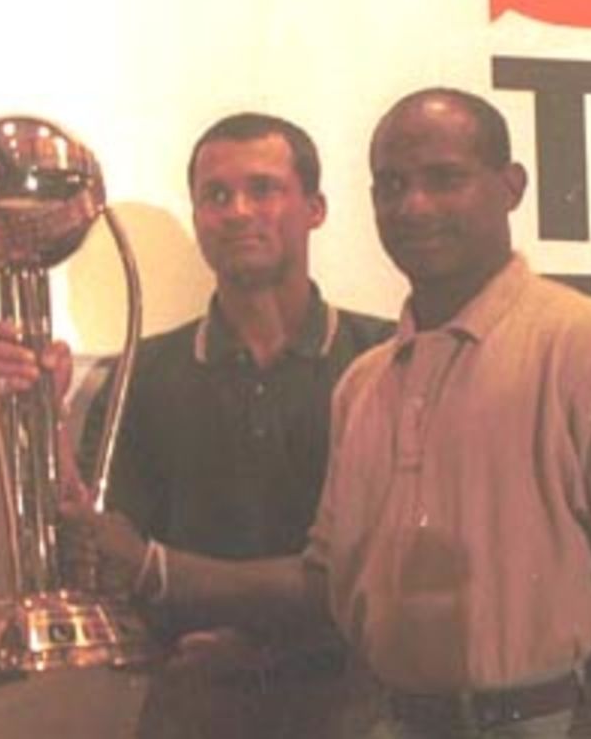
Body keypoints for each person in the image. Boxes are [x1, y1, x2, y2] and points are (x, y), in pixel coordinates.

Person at [71, 88, 591, 739]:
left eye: (445, 179)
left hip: (547, 718)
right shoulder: (367, 381)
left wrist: (159, 568)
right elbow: (332, 586)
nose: (414, 205)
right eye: (392, 184)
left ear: (511, 186)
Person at [79, 113, 394, 738]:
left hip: (354, 709)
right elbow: (110, 559)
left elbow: (395, 572)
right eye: (216, 195)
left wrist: (274, 656)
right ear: (198, 216)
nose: (238, 211)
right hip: (195, 703)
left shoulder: (385, 359)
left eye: (264, 188)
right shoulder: (139, 375)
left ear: (315, 207)